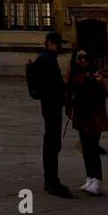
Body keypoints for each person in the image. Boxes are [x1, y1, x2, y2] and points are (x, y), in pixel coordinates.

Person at [27, 31, 72, 198]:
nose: (59, 47)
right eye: (57, 44)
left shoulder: (46, 58)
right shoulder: (47, 60)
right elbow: (52, 85)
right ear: (49, 43)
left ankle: (49, 180)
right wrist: (65, 87)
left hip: (49, 106)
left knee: (52, 143)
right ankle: (53, 182)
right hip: (51, 106)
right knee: (53, 144)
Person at [65, 48, 108, 195]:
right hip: (81, 116)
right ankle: (90, 178)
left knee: (92, 148)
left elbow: (104, 93)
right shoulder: (73, 75)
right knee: (86, 149)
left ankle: (97, 180)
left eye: (86, 57)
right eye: (80, 57)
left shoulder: (95, 73)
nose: (83, 60)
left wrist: (99, 82)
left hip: (94, 116)